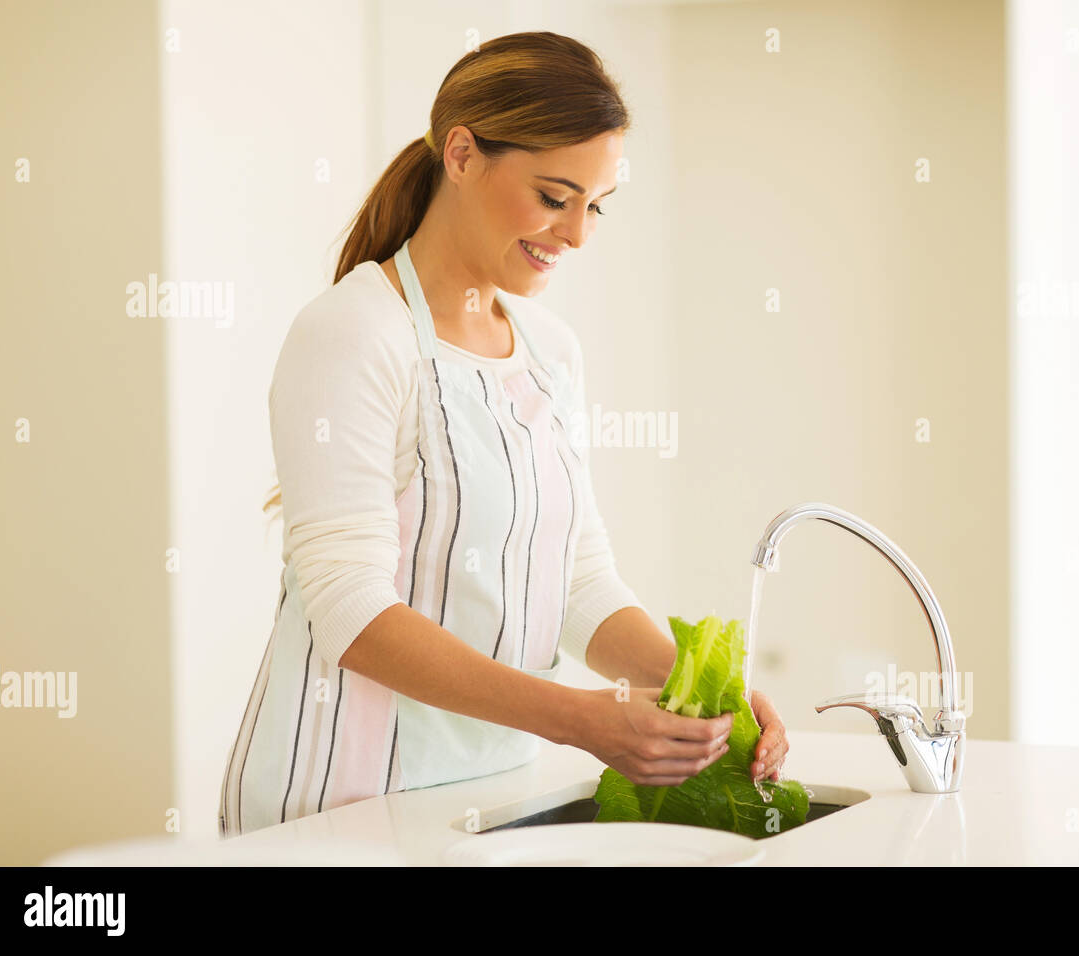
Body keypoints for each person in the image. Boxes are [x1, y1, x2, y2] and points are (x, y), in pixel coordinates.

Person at [218, 30, 788, 838]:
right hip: (336, 805)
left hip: (484, 802)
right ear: (460, 154)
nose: (578, 234)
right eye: (555, 198)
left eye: (595, 206)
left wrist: (707, 692)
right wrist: (577, 718)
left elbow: (578, 584)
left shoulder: (551, 352)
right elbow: (349, 608)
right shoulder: (353, 333)